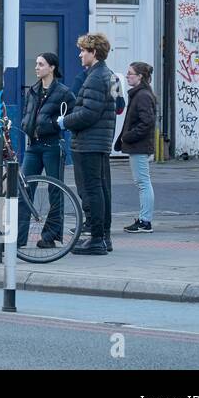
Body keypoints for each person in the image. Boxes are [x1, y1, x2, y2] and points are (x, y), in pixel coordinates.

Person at [58, 33, 117, 255]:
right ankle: (103, 237)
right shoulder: (107, 75)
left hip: (89, 141)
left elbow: (88, 114)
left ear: (94, 52)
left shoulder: (95, 77)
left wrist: (65, 121)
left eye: (83, 50)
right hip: (99, 141)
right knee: (101, 189)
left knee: (91, 190)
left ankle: (96, 238)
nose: (80, 54)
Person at [17, 53, 75, 248]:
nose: (36, 67)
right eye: (36, 64)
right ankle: (19, 237)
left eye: (41, 64)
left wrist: (54, 124)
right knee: (25, 189)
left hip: (52, 145)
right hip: (33, 146)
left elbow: (71, 117)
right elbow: (27, 113)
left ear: (52, 67)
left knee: (55, 191)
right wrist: (26, 125)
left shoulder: (64, 92)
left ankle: (50, 236)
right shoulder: (32, 90)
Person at [117, 61, 157, 233]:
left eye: (130, 73)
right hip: (138, 145)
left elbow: (147, 122)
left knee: (143, 182)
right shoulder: (140, 94)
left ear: (140, 76)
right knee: (142, 182)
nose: (127, 76)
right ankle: (144, 219)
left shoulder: (142, 96)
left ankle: (145, 221)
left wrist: (128, 136)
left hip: (139, 145)